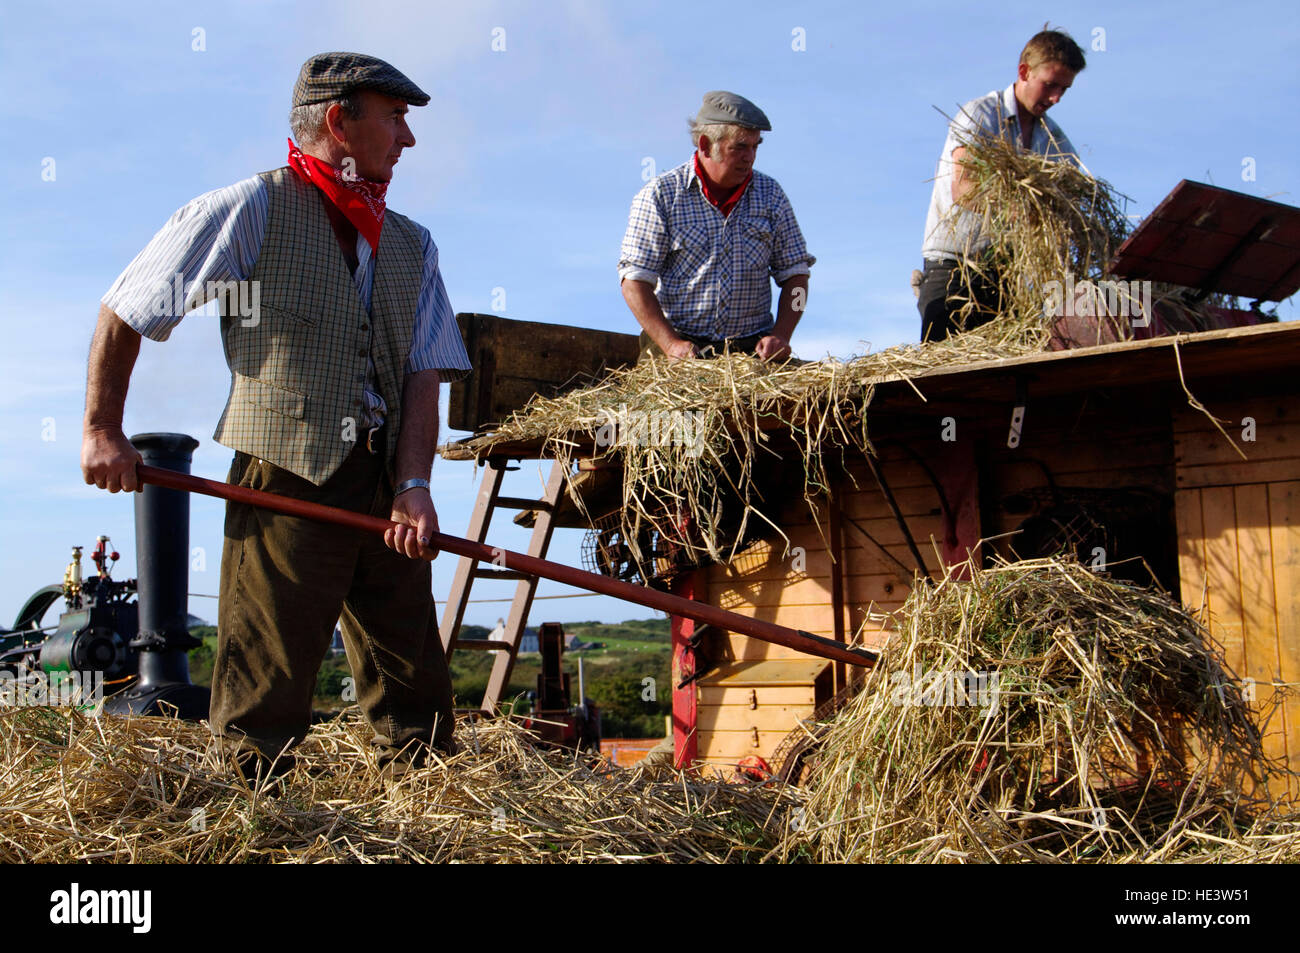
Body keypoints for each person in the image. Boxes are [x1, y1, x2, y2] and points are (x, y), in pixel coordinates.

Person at [80, 52, 472, 778]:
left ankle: (426, 817)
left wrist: (414, 481)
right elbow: (128, 305)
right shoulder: (251, 209)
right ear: (338, 122)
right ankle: (256, 818)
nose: (408, 139)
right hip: (285, 475)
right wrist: (103, 427)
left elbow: (425, 372)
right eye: (395, 118)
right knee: (266, 684)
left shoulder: (414, 244)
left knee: (416, 687)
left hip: (385, 482)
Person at [619, 91, 814, 362]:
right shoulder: (660, 195)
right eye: (740, 147)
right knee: (674, 404)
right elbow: (634, 282)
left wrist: (781, 335)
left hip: (752, 352)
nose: (750, 157)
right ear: (705, 144)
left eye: (756, 147)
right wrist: (671, 344)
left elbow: (797, 277)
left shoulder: (771, 195)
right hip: (679, 348)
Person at [918, 29, 1087, 341]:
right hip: (956, 267)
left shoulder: (1055, 142)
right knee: (945, 373)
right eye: (1050, 85)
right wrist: (1024, 218)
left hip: (1010, 279)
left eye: (1064, 89)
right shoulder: (981, 115)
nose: (1056, 98)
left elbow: (1068, 206)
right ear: (1024, 71)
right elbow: (965, 188)